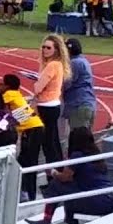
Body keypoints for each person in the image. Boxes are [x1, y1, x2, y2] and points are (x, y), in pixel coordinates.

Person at [31, 127, 113, 224]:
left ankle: (47, 219)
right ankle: (70, 221)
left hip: (95, 201)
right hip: (109, 201)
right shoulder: (97, 155)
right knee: (70, 191)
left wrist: (53, 172)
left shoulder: (78, 155)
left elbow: (65, 177)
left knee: (56, 184)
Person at [2, 73, 48, 200]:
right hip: (33, 128)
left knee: (29, 163)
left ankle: (30, 194)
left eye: (1, 84)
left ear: (7, 86)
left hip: (32, 129)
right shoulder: (16, 94)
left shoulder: (9, 94)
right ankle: (25, 192)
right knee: (23, 161)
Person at [34, 35, 70, 165]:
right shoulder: (58, 64)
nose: (44, 50)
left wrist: (36, 85)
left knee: (48, 143)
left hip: (47, 106)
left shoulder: (51, 66)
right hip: (53, 105)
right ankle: (56, 171)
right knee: (53, 141)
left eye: (48, 47)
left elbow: (38, 88)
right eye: (43, 47)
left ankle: (53, 176)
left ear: (56, 49)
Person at [63, 38, 96, 131]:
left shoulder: (74, 63)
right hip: (87, 104)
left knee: (78, 139)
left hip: (78, 106)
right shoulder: (83, 60)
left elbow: (67, 83)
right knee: (85, 138)